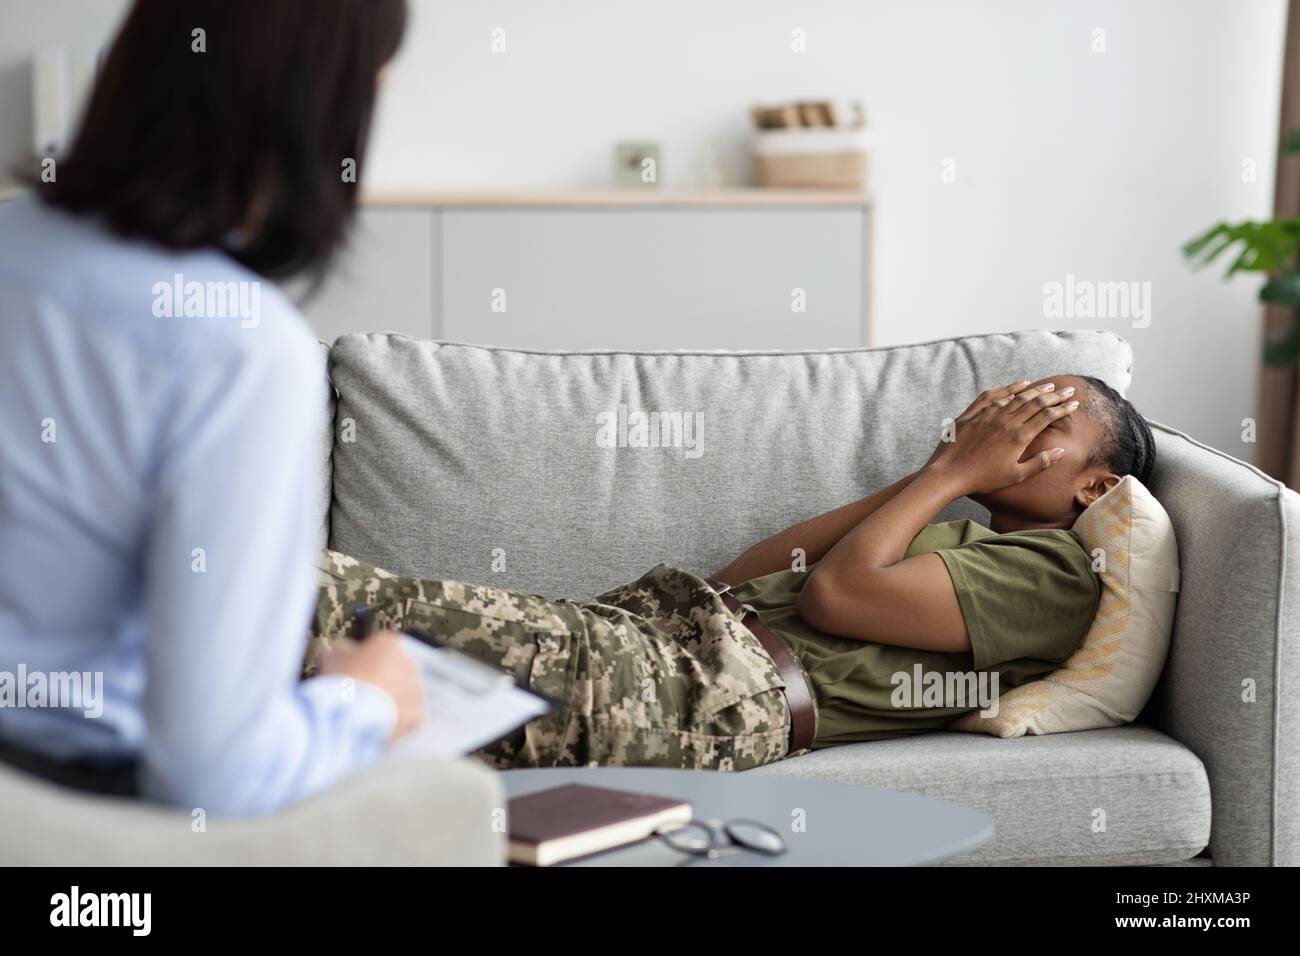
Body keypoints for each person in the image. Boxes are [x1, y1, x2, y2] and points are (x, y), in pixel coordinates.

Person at [0, 0, 425, 816]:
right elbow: (213, 779)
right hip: (78, 826)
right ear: (319, 104)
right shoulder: (233, 346)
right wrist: (366, 702)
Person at [312, 375, 1157, 769]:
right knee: (330, 633)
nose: (1004, 428)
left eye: (1042, 421)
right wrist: (941, 472)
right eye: (1003, 410)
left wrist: (951, 477)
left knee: (339, 605)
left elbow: (836, 594)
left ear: (1097, 485)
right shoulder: (948, 519)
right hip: (657, 642)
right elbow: (746, 578)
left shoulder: (1058, 574)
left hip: (711, 696)